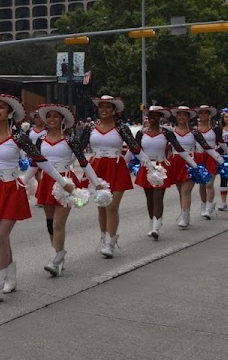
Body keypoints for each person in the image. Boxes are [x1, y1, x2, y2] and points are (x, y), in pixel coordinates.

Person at [0, 94, 74, 300]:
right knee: (1, 238)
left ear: (10, 113)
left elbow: (40, 160)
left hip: (11, 189)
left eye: (1, 107)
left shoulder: (19, 137)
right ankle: (10, 278)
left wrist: (63, 182)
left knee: (0, 237)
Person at [32, 104, 103, 276]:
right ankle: (58, 254)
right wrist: (24, 181)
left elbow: (83, 162)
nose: (52, 120)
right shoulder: (40, 140)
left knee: (59, 223)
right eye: (49, 116)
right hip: (46, 182)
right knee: (50, 223)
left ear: (63, 119)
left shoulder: (70, 140)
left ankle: (55, 260)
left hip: (66, 182)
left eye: (56, 116)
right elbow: (35, 163)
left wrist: (96, 183)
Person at [79, 95, 142, 259]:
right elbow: (78, 148)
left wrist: (150, 166)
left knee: (112, 206)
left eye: (108, 107)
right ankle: (104, 238)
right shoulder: (90, 128)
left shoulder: (121, 128)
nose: (104, 110)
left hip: (116, 168)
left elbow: (135, 148)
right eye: (101, 106)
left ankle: (111, 242)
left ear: (114, 110)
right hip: (97, 168)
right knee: (101, 206)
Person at [134, 106, 195, 240]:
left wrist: (194, 165)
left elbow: (179, 148)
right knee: (149, 198)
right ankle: (151, 224)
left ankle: (156, 226)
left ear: (160, 117)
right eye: (150, 115)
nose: (152, 118)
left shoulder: (166, 133)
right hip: (146, 167)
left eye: (156, 115)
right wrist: (125, 163)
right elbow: (134, 150)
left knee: (158, 196)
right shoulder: (141, 133)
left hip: (161, 166)